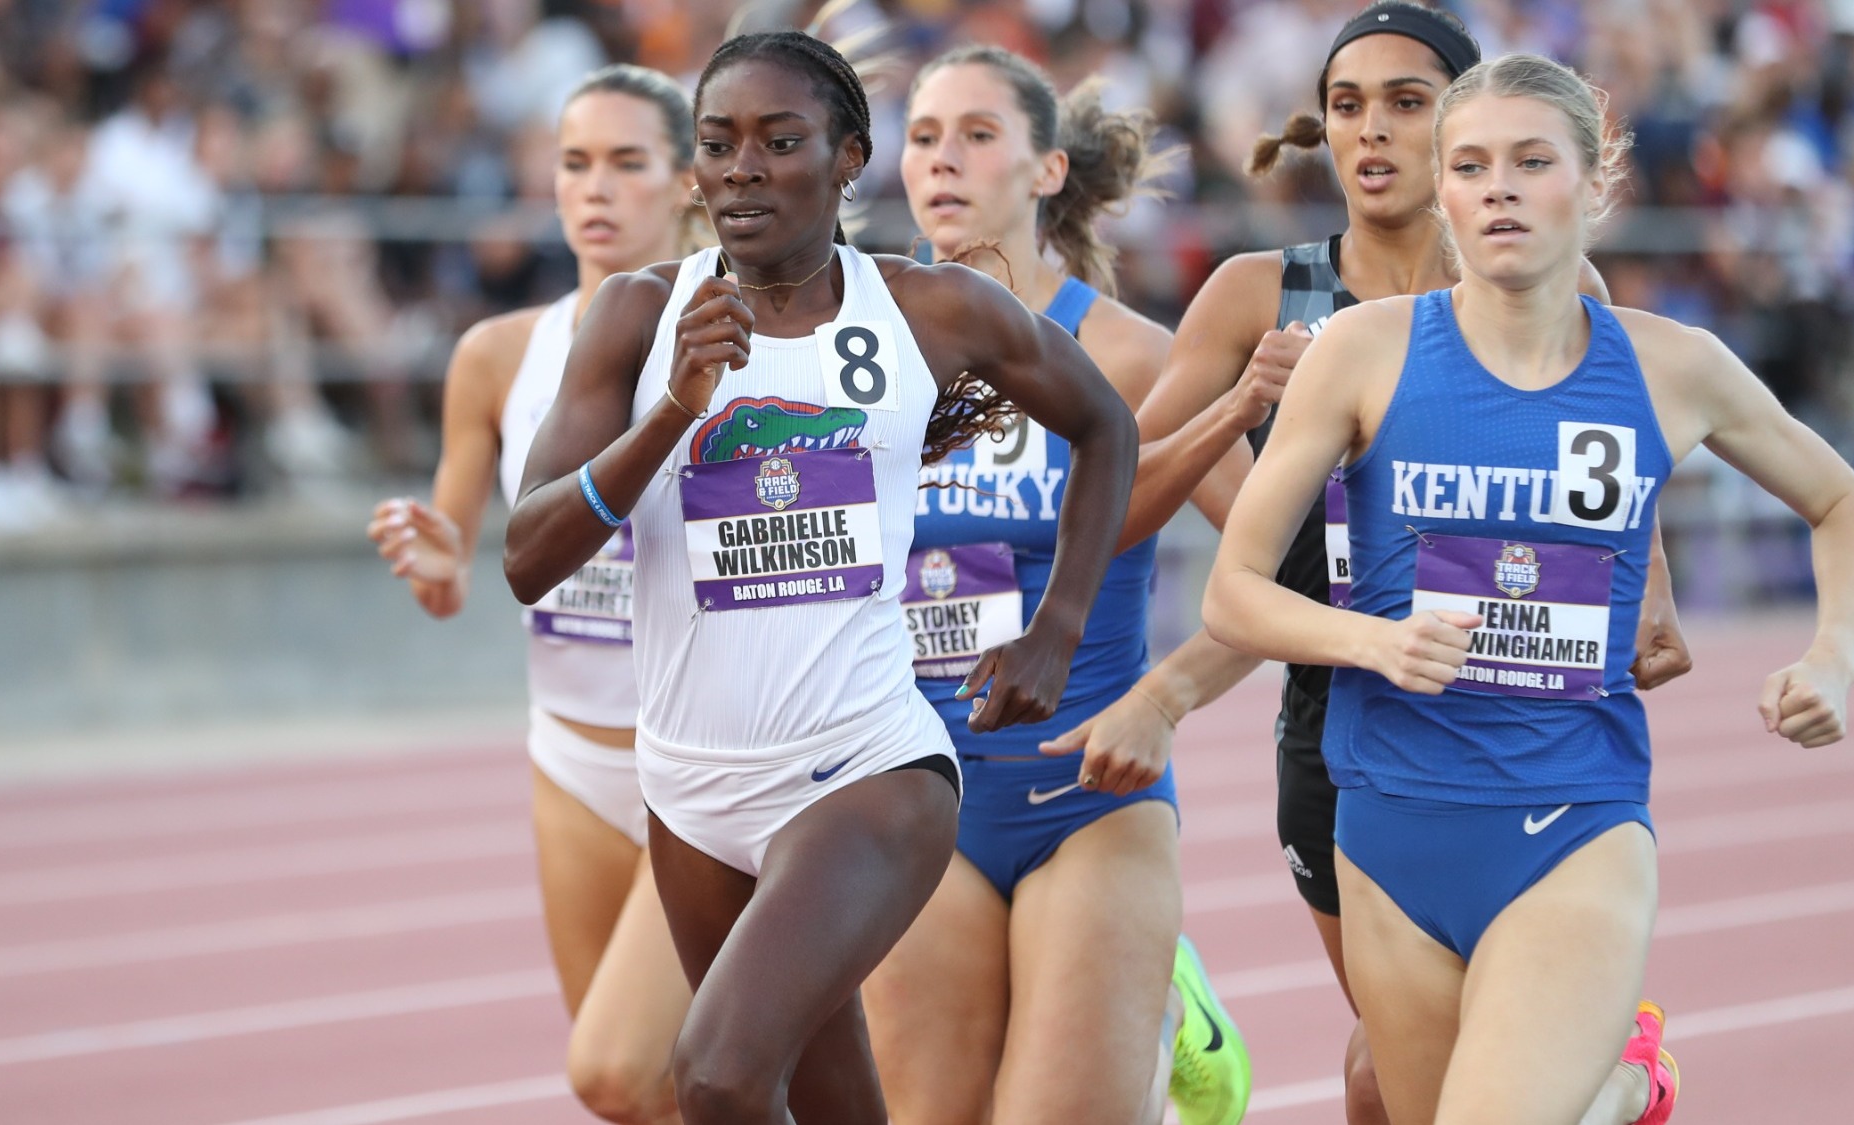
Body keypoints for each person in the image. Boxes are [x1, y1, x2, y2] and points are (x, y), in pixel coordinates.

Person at [1203, 51, 1854, 1125]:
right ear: (1440, 188)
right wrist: (1371, 642)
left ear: (1594, 184)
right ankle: (1613, 1091)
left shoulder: (1672, 366)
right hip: (1387, 830)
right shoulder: (1359, 352)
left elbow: (1843, 504)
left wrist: (1829, 656)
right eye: (1468, 165)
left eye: (1530, 162)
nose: (1498, 189)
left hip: (1572, 822)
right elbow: (1231, 594)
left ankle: (1606, 1085)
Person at [502, 31, 1137, 1125]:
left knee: (713, 1074)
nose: (742, 167)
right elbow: (525, 557)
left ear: (848, 158)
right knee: (834, 1100)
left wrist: (1057, 627)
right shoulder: (641, 317)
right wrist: (672, 412)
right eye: (718, 143)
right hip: (691, 786)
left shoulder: (927, 310)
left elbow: (1104, 425)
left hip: (865, 768)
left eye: (778, 140)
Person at [1128, 5, 1691, 1121]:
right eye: (1346, 106)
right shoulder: (1259, 295)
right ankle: (1609, 1075)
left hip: (1520, 725)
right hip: (1338, 726)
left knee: (1437, 1077)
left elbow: (1614, 448)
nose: (1371, 130)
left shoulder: (1555, 287)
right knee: (1384, 1077)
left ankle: (1611, 1062)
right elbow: (1121, 499)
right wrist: (1243, 407)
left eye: (1405, 103)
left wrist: (1656, 594)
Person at [862, 44, 1250, 1125]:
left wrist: (1161, 697)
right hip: (914, 795)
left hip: (1089, 795)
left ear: (1045, 172)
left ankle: (1158, 1003)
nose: (941, 160)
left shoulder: (1126, 357)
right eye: (925, 136)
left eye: (977, 136)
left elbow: (1278, 562)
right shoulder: (855, 349)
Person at [367, 64, 699, 1125]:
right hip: (568, 758)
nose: (593, 188)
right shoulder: (497, 354)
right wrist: (430, 563)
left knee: (621, 1065)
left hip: (701, 765)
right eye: (572, 163)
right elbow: (455, 564)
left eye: (624, 162)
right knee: (637, 1094)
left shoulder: (737, 342)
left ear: (688, 181)